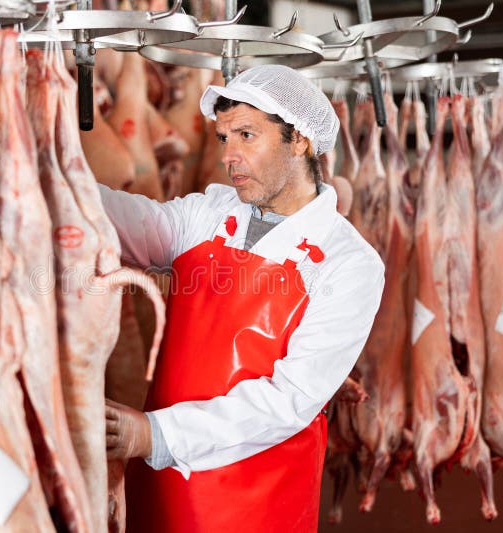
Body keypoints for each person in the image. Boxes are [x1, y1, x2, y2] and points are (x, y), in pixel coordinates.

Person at [99, 64, 385, 532]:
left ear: (301, 141)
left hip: (258, 500)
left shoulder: (347, 262)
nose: (229, 155)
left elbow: (289, 400)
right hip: (161, 482)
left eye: (247, 135)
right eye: (224, 138)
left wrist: (154, 433)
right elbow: (124, 220)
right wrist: (32, 171)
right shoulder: (210, 213)